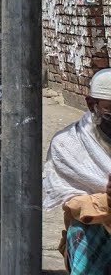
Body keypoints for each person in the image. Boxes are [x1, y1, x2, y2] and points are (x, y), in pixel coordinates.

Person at [44, 69, 111, 272]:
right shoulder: (67, 144)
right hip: (97, 230)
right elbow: (73, 203)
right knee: (83, 230)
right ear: (92, 104)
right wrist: (105, 201)